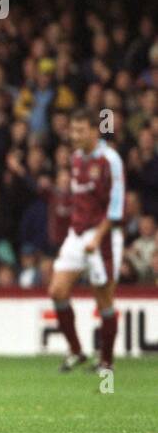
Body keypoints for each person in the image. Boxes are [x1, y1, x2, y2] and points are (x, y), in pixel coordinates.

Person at [49, 109, 126, 376]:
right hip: (78, 233)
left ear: (95, 130)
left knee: (103, 299)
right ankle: (76, 350)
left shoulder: (110, 160)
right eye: (73, 130)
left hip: (103, 236)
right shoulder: (76, 159)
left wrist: (98, 236)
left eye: (81, 130)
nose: (75, 135)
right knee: (57, 290)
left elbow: (116, 205)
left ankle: (106, 362)